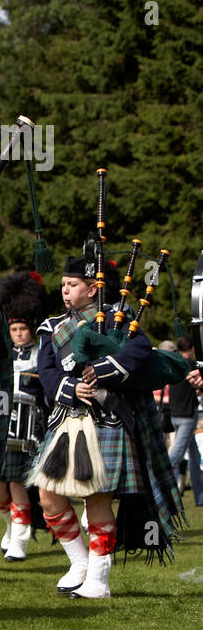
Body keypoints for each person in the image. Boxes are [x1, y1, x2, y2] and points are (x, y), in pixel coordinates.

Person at [31, 253, 186, 599]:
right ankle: (81, 562)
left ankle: (99, 580)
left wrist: (102, 371)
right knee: (48, 497)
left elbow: (140, 349)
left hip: (106, 418)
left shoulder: (121, 317)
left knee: (95, 499)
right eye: (63, 285)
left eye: (72, 285)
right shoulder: (52, 327)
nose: (65, 291)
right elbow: (46, 372)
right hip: (66, 417)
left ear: (92, 288)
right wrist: (71, 387)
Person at [0, 271, 48, 562]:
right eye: (14, 328)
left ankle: (20, 541)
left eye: (23, 329)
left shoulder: (41, 354)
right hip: (2, 424)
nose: (18, 333)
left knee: (18, 485)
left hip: (27, 428)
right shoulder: (2, 354)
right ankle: (9, 526)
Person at [167, 336, 203, 504]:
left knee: (194, 456)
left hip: (175, 414)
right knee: (174, 458)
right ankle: (162, 491)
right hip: (187, 416)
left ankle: (200, 496)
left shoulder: (173, 362)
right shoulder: (191, 365)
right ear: (192, 348)